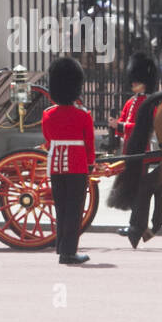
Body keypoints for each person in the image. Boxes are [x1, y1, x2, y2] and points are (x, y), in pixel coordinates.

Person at [43, 56, 95, 266]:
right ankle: (69, 253)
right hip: (76, 165)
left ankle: (61, 248)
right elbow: (89, 144)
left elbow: (48, 139)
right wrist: (90, 164)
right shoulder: (83, 115)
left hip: (55, 165)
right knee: (74, 210)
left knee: (61, 208)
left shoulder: (48, 115)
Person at [108, 52, 158, 150]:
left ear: (145, 82)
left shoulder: (150, 103)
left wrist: (119, 126)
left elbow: (144, 128)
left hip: (143, 148)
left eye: (137, 81)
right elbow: (122, 121)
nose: (133, 84)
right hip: (127, 148)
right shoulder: (130, 102)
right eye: (133, 81)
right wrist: (114, 127)